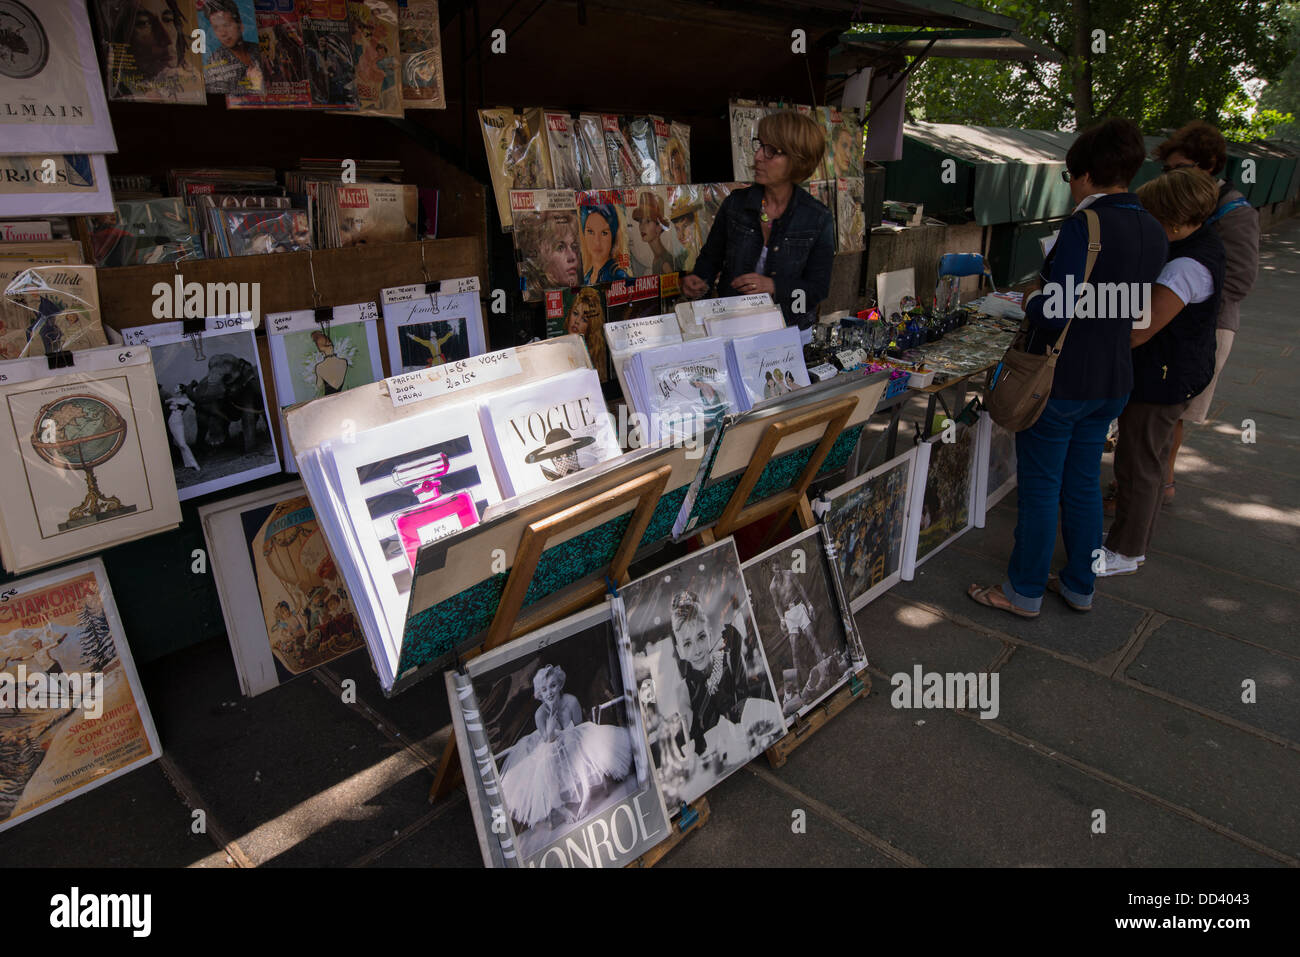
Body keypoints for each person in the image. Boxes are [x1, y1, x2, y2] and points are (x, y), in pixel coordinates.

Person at [968, 118, 1168, 617]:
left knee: (1041, 488)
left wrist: (1032, 297)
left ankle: (1024, 591)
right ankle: (1080, 585)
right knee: (1081, 484)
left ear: (1082, 175)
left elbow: (1056, 311)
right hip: (1113, 377)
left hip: (1062, 380)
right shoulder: (1151, 226)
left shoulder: (1085, 226)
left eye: (1068, 177)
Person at [1098, 169, 1224, 576]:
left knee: (1139, 464)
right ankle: (1125, 539)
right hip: (1174, 370)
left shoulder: (1186, 266)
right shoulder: (1198, 244)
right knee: (1141, 460)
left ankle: (1126, 550)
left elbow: (1139, 329)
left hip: (1164, 378)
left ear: (1170, 221)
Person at [1151, 122, 1260, 504]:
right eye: (1167, 171)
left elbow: (1240, 282)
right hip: (1167, 318)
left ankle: (1156, 487)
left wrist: (1179, 297)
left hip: (1203, 326)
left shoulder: (1235, 214)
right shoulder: (1179, 204)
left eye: (1180, 169)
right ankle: (1151, 484)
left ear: (1210, 165)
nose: (1171, 178)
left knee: (1172, 411)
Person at [684, 110, 835, 329]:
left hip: (788, 332)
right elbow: (710, 258)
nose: (758, 157)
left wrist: (775, 287)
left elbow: (816, 291)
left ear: (797, 159)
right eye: (760, 145)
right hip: (731, 325)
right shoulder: (735, 204)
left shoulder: (817, 218)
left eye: (771, 151)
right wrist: (698, 280)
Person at [498, 664, 633, 828]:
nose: (550, 692)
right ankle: (560, 808)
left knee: (572, 740)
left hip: (573, 740)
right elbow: (547, 740)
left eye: (553, 686)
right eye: (545, 690)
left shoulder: (571, 701)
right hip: (550, 743)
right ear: (540, 694)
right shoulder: (540, 714)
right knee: (545, 760)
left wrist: (568, 737)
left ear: (560, 685)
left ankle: (587, 792)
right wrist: (550, 728)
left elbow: (579, 726)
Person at [669, 590, 774, 756]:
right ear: (679, 651)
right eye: (687, 644)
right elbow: (693, 744)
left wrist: (736, 653)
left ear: (710, 634)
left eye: (701, 637)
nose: (697, 651)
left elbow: (747, 706)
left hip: (752, 746)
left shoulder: (730, 659)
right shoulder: (683, 690)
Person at [105, 0, 203, 101]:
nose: (167, 38)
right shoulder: (117, 90)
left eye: (168, 19)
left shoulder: (193, 81)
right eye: (144, 23)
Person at [203, 0, 264, 93]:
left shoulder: (257, 49)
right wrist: (255, 86)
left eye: (226, 25)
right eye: (216, 28)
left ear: (240, 25)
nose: (223, 33)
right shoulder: (214, 63)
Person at [579, 204, 630, 284]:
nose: (597, 242)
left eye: (604, 233)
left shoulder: (619, 277)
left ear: (613, 237)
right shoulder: (586, 278)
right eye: (590, 232)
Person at [563, 287, 607, 378]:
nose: (577, 321)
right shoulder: (560, 350)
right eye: (575, 313)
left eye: (584, 319)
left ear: (591, 326)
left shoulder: (595, 357)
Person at [631, 191, 675, 275]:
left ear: (659, 227)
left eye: (648, 221)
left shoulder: (665, 263)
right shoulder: (657, 258)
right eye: (640, 221)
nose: (642, 227)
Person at [311, 330, 349, 395]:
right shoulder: (344, 362)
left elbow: (319, 386)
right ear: (331, 344)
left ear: (320, 349)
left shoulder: (319, 367)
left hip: (328, 399)